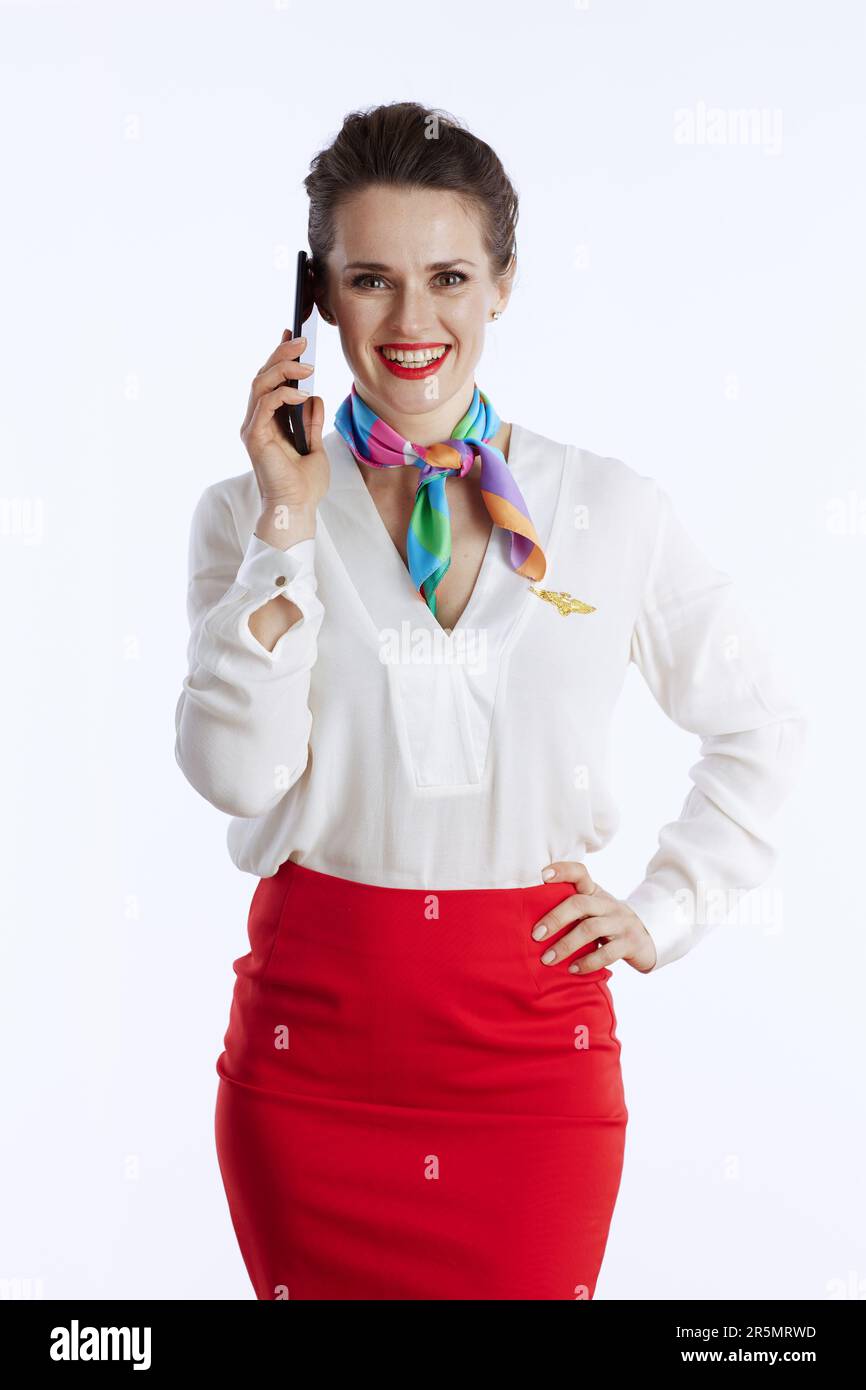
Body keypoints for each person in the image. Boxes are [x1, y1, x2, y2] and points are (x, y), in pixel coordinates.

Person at [174, 101, 807, 1301]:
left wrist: (665, 908)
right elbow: (233, 775)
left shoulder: (610, 509)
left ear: (503, 284)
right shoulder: (247, 513)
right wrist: (286, 524)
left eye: (448, 277)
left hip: (531, 1064)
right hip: (311, 1062)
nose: (411, 324)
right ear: (316, 298)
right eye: (368, 279)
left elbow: (762, 724)